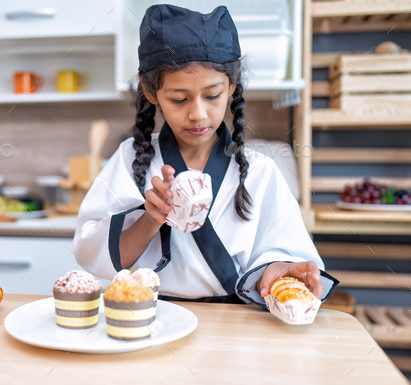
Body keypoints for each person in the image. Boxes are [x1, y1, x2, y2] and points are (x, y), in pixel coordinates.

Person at [73, 4, 338, 307]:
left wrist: (278, 270)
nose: (198, 114)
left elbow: (284, 260)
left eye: (212, 96)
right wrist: (152, 218)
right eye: (179, 99)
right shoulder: (130, 160)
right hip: (152, 316)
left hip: (235, 325)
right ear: (150, 92)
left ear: (232, 85)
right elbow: (101, 257)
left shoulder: (260, 171)